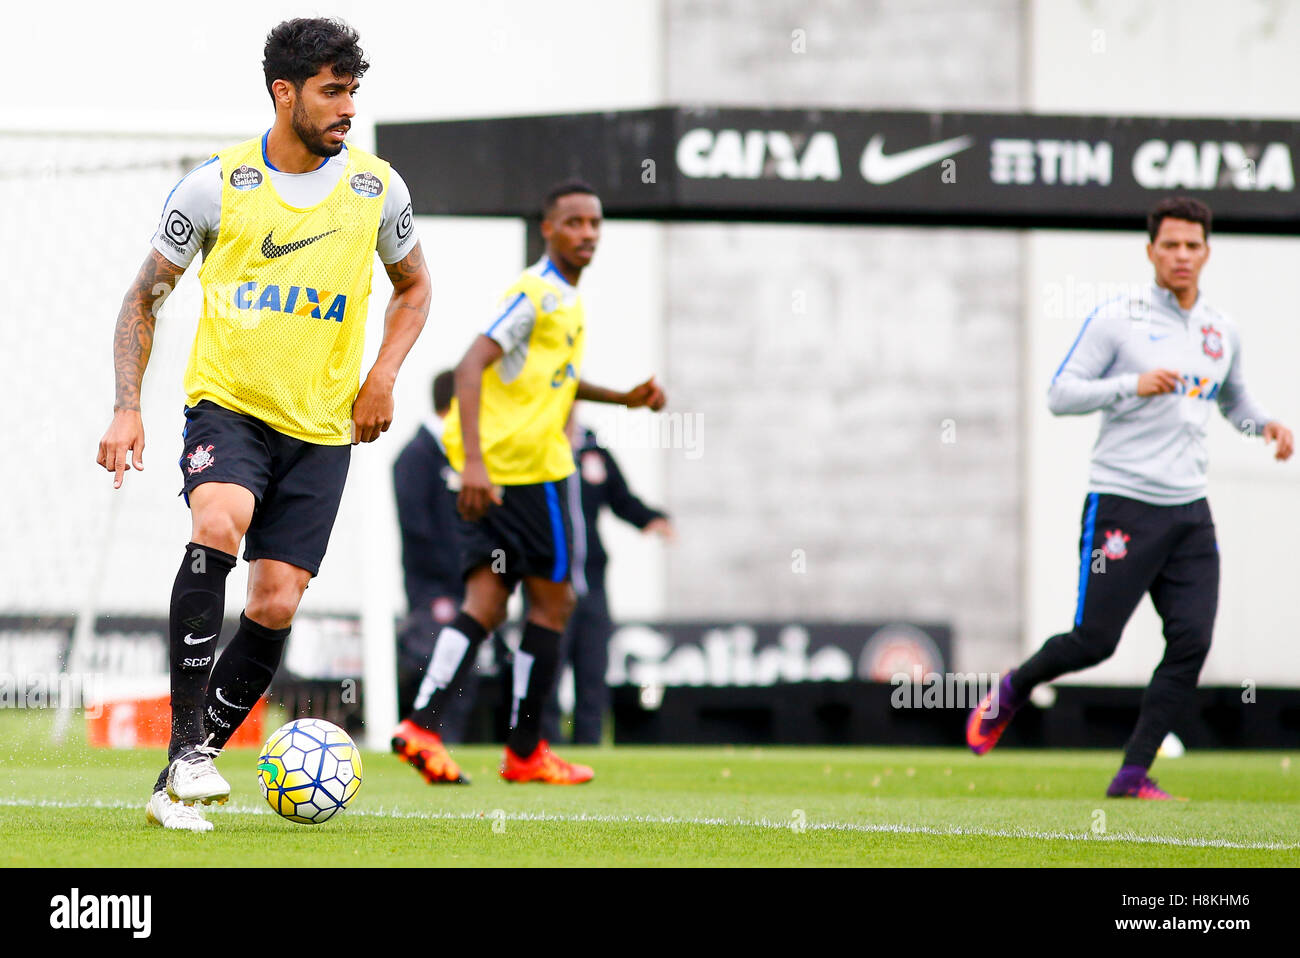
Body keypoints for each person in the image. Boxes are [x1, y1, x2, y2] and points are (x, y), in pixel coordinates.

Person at [95, 18, 431, 831]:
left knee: (276, 602)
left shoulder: (377, 190)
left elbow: (414, 288)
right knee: (220, 520)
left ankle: (181, 777)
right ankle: (188, 750)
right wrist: (128, 405)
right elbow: (144, 297)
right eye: (331, 91)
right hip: (231, 408)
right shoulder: (216, 185)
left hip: (321, 428)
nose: (347, 107)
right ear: (285, 93)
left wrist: (382, 374)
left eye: (353, 91)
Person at [966, 196, 1293, 799]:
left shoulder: (1222, 331)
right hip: (1122, 504)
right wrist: (1129, 385)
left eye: (1192, 245)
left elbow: (1232, 400)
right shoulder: (1119, 319)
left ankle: (1132, 773)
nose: (1182, 256)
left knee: (1191, 641)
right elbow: (1060, 394)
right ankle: (1011, 690)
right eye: (1170, 245)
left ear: (1207, 252)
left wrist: (1266, 426)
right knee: (1094, 641)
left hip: (1190, 515)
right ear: (1151, 252)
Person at [390, 180, 666, 785]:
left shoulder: (562, 300)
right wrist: (477, 465)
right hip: (529, 475)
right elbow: (470, 364)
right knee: (556, 602)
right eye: (573, 223)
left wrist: (622, 398)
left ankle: (420, 725)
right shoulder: (538, 293)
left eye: (594, 223)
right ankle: (524, 751)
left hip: (495, 479)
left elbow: (555, 380)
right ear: (548, 228)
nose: (587, 233)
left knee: (485, 604)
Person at [543, 416, 673, 744]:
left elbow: (620, 498)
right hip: (548, 586)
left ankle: (589, 748)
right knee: (546, 675)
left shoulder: (592, 448)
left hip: (592, 584)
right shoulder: (536, 444)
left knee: (592, 675)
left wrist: (651, 519)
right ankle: (543, 751)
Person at [392, 369, 480, 726]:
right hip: (434, 589)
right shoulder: (416, 456)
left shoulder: (461, 455)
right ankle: (425, 737)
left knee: (463, 672)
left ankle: (447, 745)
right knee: (432, 665)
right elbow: (418, 530)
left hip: (464, 585)